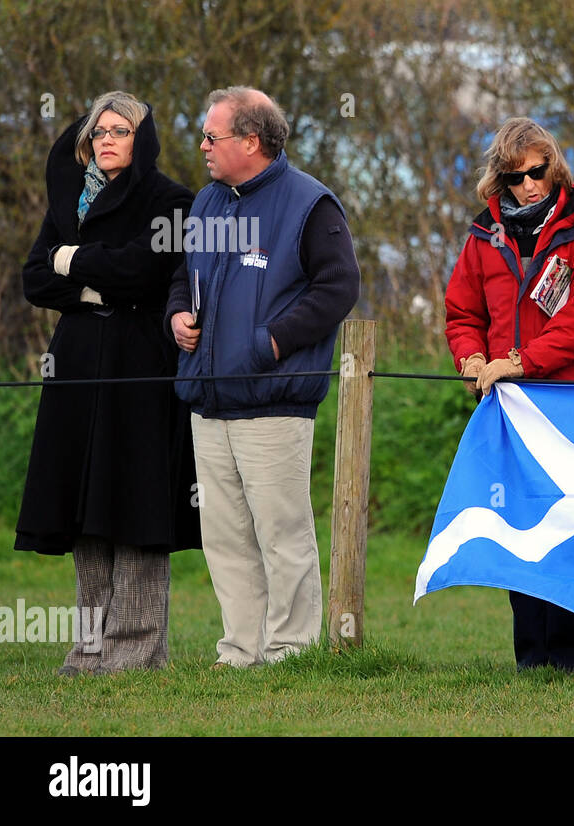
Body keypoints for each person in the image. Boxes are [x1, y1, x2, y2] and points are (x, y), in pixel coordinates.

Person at [166, 87, 360, 669]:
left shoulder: (310, 203)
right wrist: (176, 313)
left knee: (282, 534)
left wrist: (270, 341)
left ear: (250, 141)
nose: (202, 145)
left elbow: (338, 287)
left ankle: (290, 651)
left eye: (211, 135)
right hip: (209, 396)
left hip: (273, 401)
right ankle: (240, 650)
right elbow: (184, 276)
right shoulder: (205, 202)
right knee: (224, 538)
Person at [17, 90, 199, 675]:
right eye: (99, 131)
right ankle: (89, 651)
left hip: (140, 364)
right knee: (86, 511)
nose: (106, 140)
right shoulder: (70, 197)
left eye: (119, 131)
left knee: (136, 505)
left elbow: (145, 269)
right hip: (74, 365)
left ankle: (136, 653)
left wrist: (74, 261)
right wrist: (94, 278)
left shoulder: (172, 199)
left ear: (140, 139)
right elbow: (35, 279)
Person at [444, 117, 574, 675]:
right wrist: (471, 358)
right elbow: (462, 312)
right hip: (506, 408)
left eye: (537, 171)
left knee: (571, 528)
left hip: (572, 404)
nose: (528, 184)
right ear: (500, 178)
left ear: (556, 167)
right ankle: (533, 657)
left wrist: (521, 362)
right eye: (515, 175)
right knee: (519, 527)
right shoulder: (483, 235)